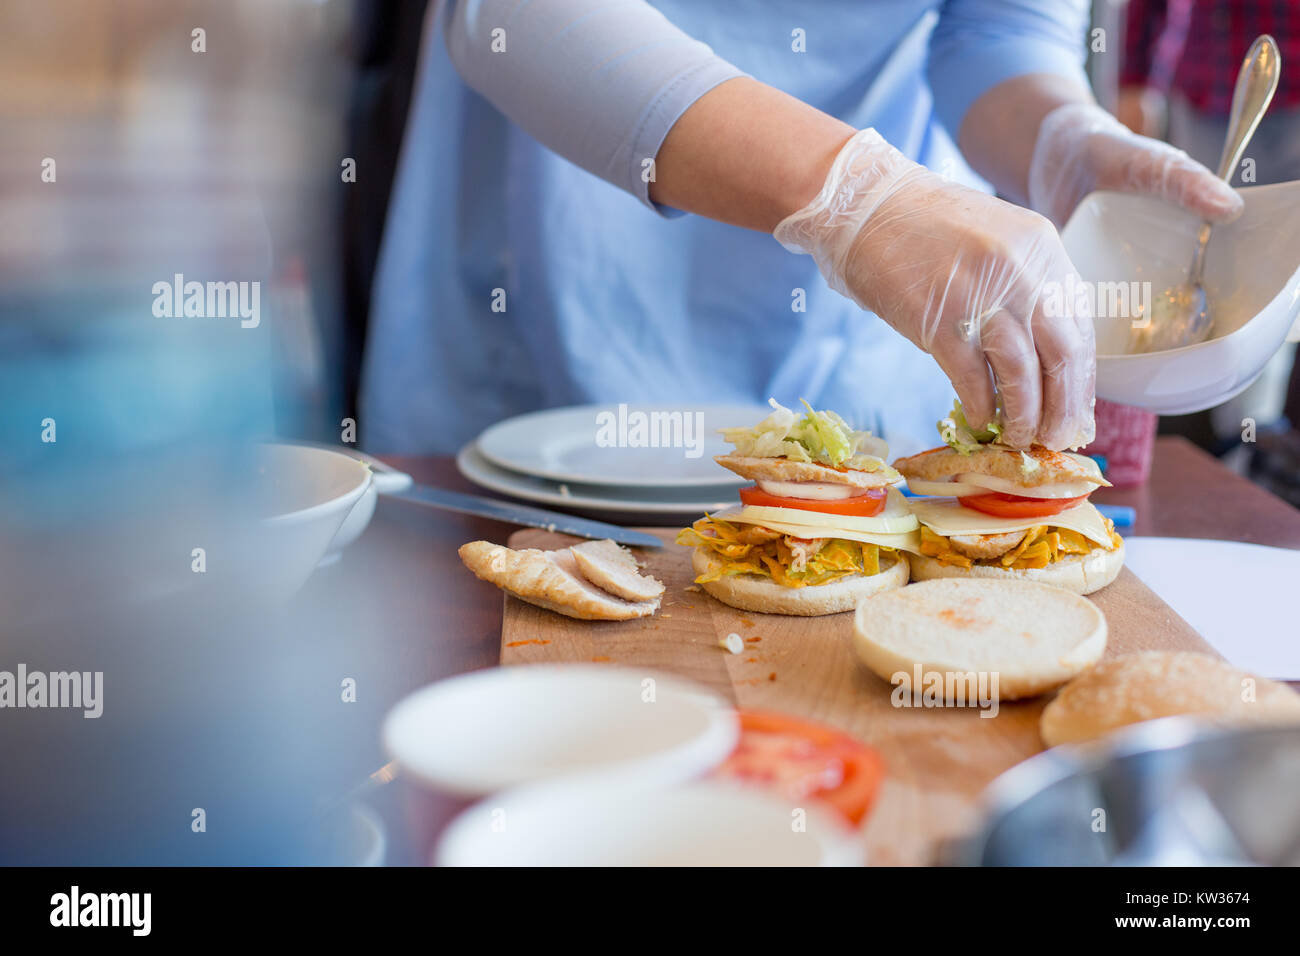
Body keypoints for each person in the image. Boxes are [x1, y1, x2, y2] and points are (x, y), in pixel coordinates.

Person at [361, 0, 1241, 457]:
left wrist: (1061, 139)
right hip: (551, 289)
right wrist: (858, 198)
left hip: (866, 350)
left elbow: (995, 26)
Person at [1120, 0, 1300, 467]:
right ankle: (1242, 435)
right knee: (1224, 262)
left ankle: (1258, 434)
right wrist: (1135, 78)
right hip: (1211, 87)